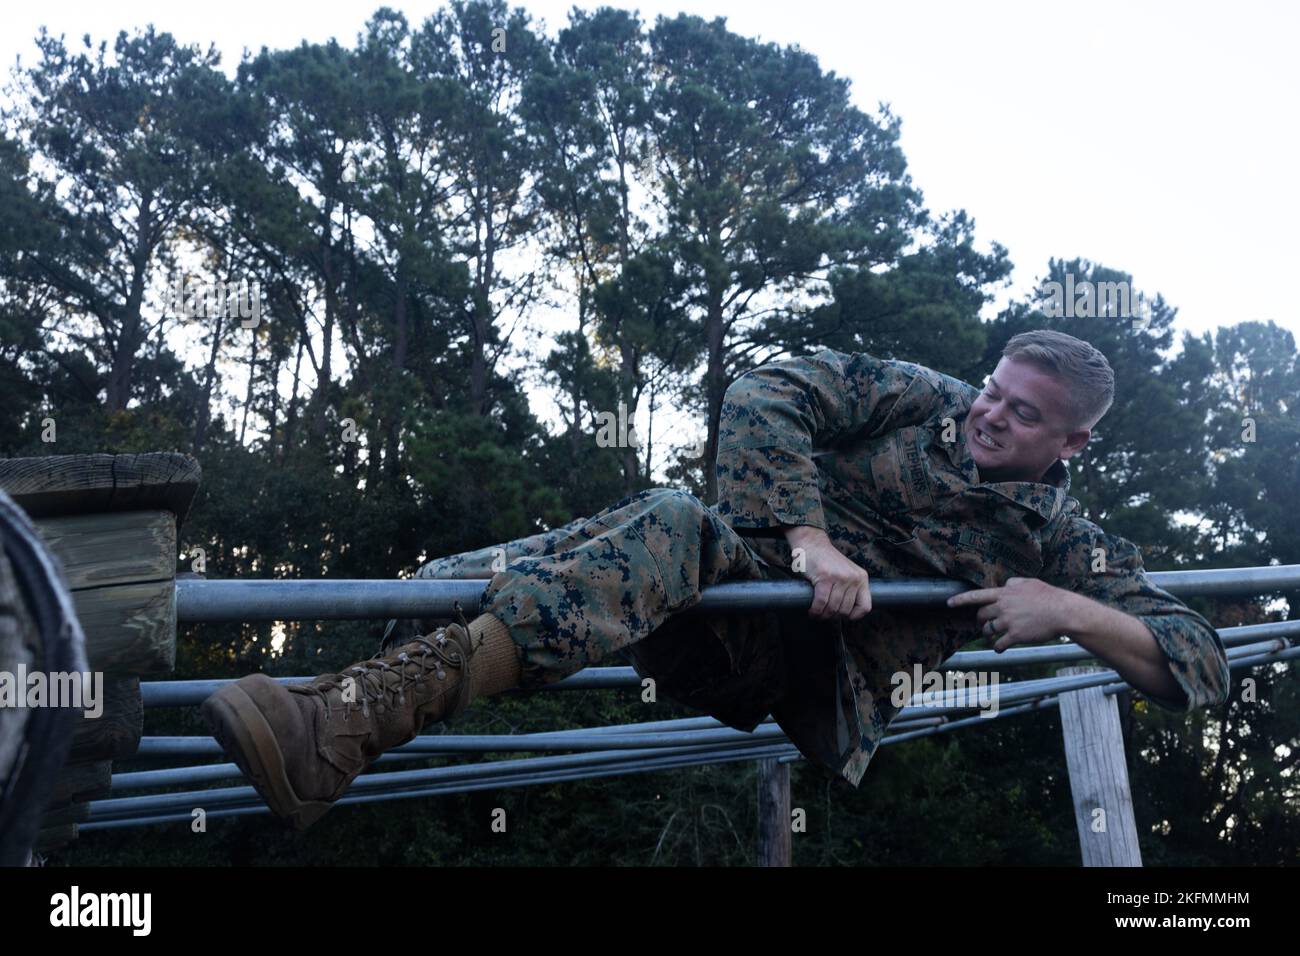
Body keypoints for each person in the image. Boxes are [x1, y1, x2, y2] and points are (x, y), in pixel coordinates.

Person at [201, 329, 1231, 830]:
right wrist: (810, 535)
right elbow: (769, 388)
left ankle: (336, 726)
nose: (988, 415)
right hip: (743, 578)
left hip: (802, 669)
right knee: (484, 573)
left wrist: (1067, 609)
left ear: (1071, 441)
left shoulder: (1059, 540)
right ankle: (325, 716)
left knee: (669, 525)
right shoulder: (920, 400)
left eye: (1019, 414)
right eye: (994, 392)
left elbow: (1199, 661)